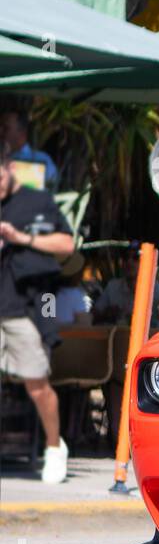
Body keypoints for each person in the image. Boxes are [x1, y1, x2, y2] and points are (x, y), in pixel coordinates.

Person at [0, 149, 74, 483]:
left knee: (37, 384)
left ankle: (54, 446)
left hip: (28, 305)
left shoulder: (38, 200)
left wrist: (21, 238)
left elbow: (67, 246)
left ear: (10, 168)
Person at [93, 245, 159, 333]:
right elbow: (93, 315)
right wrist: (106, 313)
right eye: (126, 258)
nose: (129, 262)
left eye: (136, 258)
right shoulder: (113, 286)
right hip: (117, 340)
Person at [1, 111, 59, 193]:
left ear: (22, 133)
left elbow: (50, 193)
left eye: (6, 128)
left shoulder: (42, 160)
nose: (1, 132)